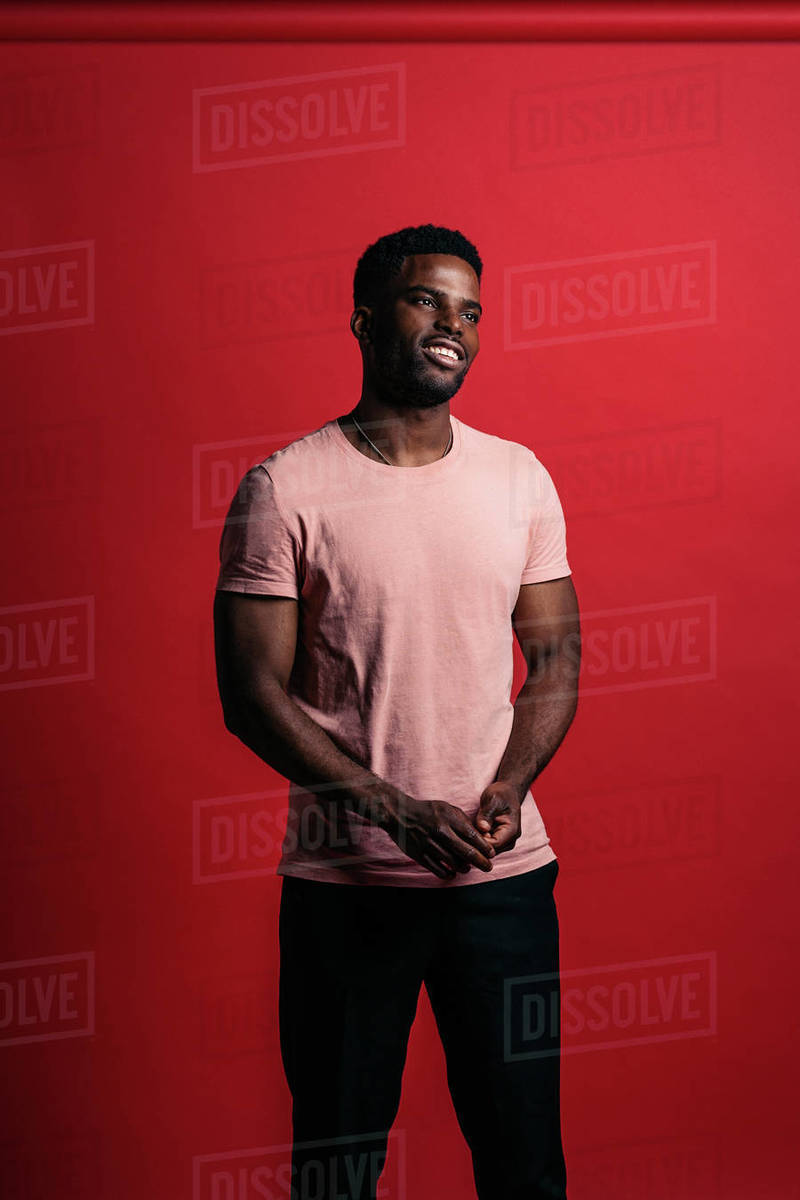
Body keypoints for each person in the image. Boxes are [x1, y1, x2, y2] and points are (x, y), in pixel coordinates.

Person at [213, 223, 581, 1200]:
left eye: (468, 311)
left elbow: (553, 658)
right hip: (346, 887)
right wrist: (392, 811)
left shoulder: (517, 477)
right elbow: (248, 696)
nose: (451, 326)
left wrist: (506, 788)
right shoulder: (283, 486)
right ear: (365, 319)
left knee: (524, 1162)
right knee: (336, 1169)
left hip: (501, 888)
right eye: (426, 301)